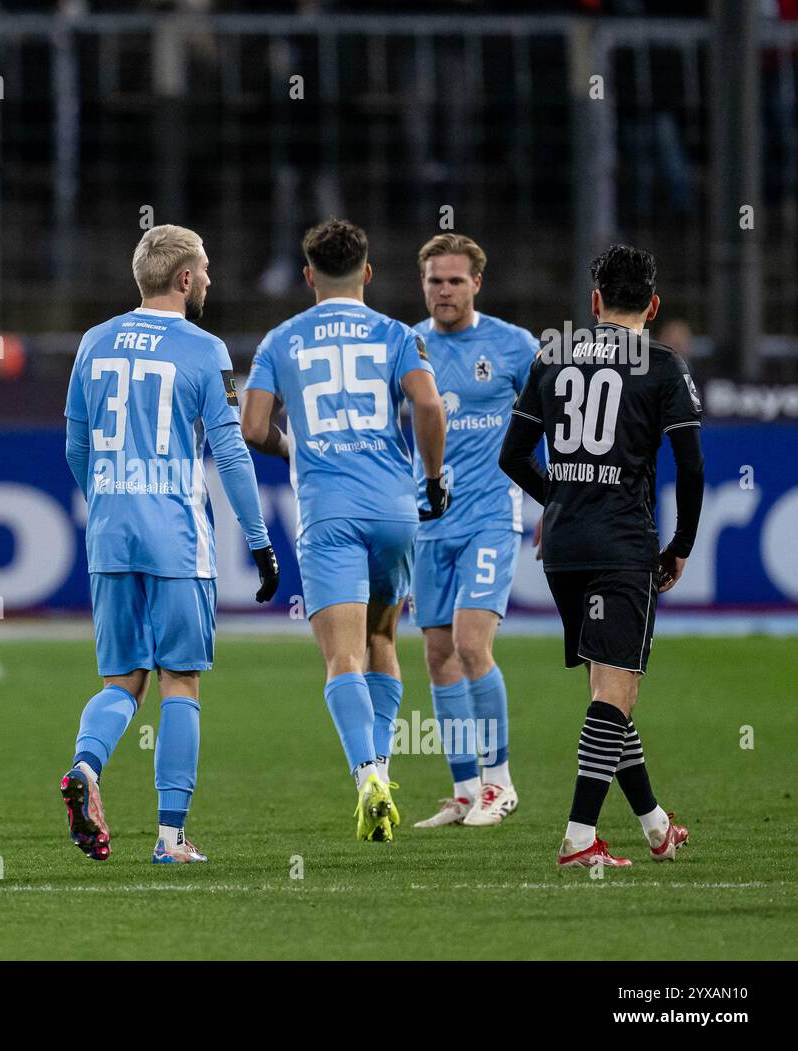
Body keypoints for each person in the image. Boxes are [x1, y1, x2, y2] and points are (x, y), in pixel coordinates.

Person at [61, 224, 279, 865]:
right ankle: (169, 838)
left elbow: (75, 447)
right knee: (179, 681)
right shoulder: (206, 350)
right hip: (178, 538)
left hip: (110, 532)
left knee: (122, 680)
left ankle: (86, 767)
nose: (209, 279)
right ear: (185, 279)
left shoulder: (92, 342)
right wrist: (260, 541)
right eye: (205, 270)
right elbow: (233, 452)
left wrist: (103, 501)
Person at [241, 218, 447, 843]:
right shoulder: (396, 334)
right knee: (384, 636)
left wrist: (293, 448)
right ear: (369, 272)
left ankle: (365, 775)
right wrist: (432, 481)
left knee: (341, 656)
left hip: (329, 512)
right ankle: (381, 767)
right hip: (394, 508)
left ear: (307, 276)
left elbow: (251, 429)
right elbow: (431, 407)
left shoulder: (280, 340)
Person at [499, 243, 704, 867]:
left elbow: (512, 455)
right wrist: (680, 547)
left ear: (594, 302)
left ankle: (655, 824)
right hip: (621, 543)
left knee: (608, 692)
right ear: (653, 303)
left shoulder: (552, 354)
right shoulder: (663, 363)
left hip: (564, 546)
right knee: (614, 693)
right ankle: (580, 836)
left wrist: (558, 500)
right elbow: (690, 468)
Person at [407, 234, 539, 830]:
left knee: (469, 644)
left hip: (490, 518)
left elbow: (555, 428)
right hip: (428, 525)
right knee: (437, 655)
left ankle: (501, 783)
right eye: (435, 280)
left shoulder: (515, 347)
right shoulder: (407, 347)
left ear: (477, 284)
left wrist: (553, 504)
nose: (444, 290)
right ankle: (464, 790)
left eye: (455, 280)